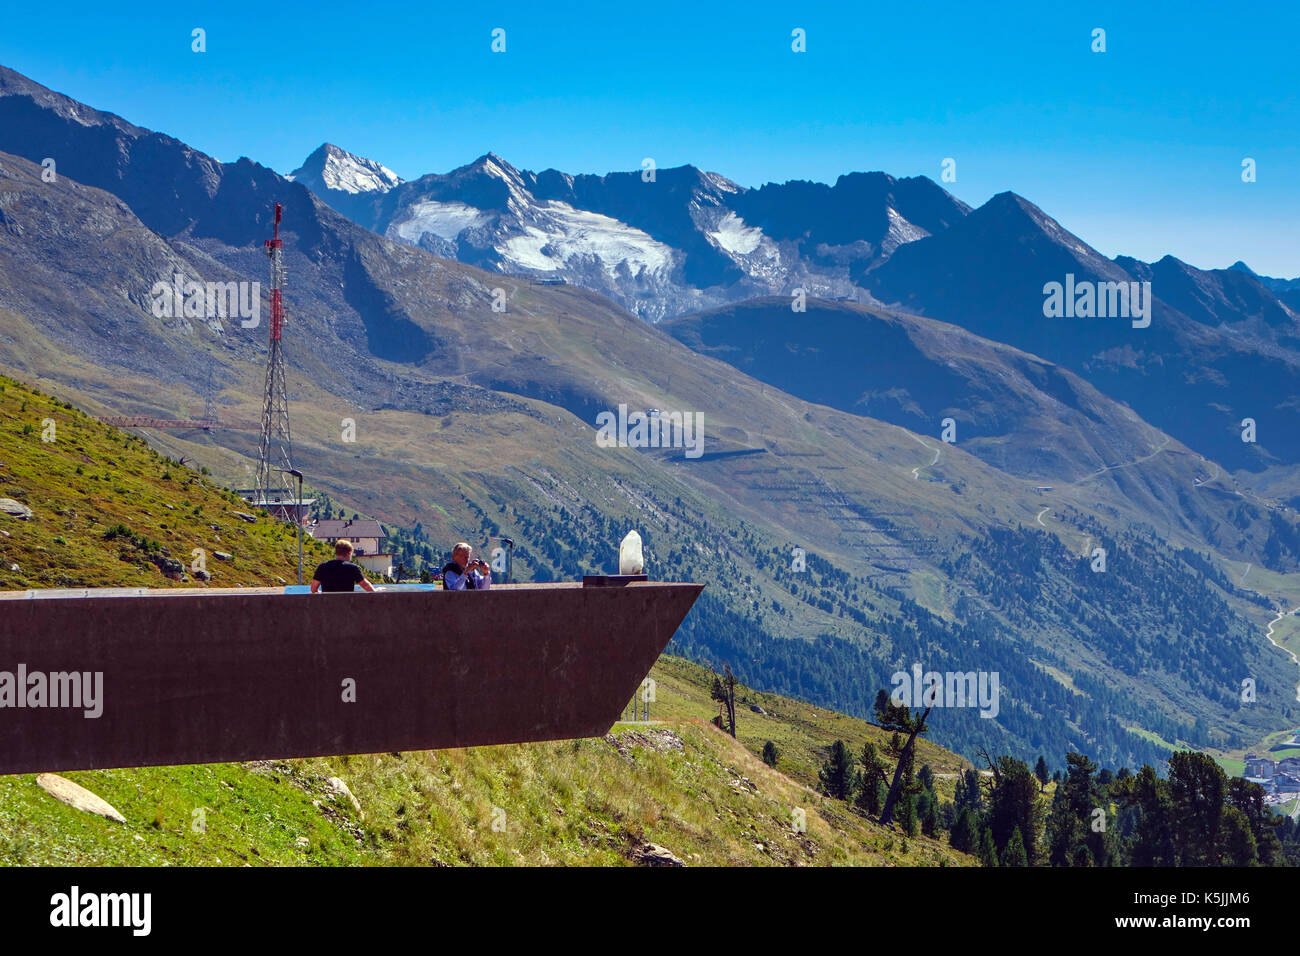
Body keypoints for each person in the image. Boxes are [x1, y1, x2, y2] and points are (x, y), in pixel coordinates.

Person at [311, 539, 376, 593]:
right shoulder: (353, 568)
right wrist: (376, 592)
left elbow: (313, 589)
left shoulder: (322, 567)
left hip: (327, 605)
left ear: (336, 552)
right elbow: (366, 586)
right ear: (349, 553)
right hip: (347, 605)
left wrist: (322, 594)